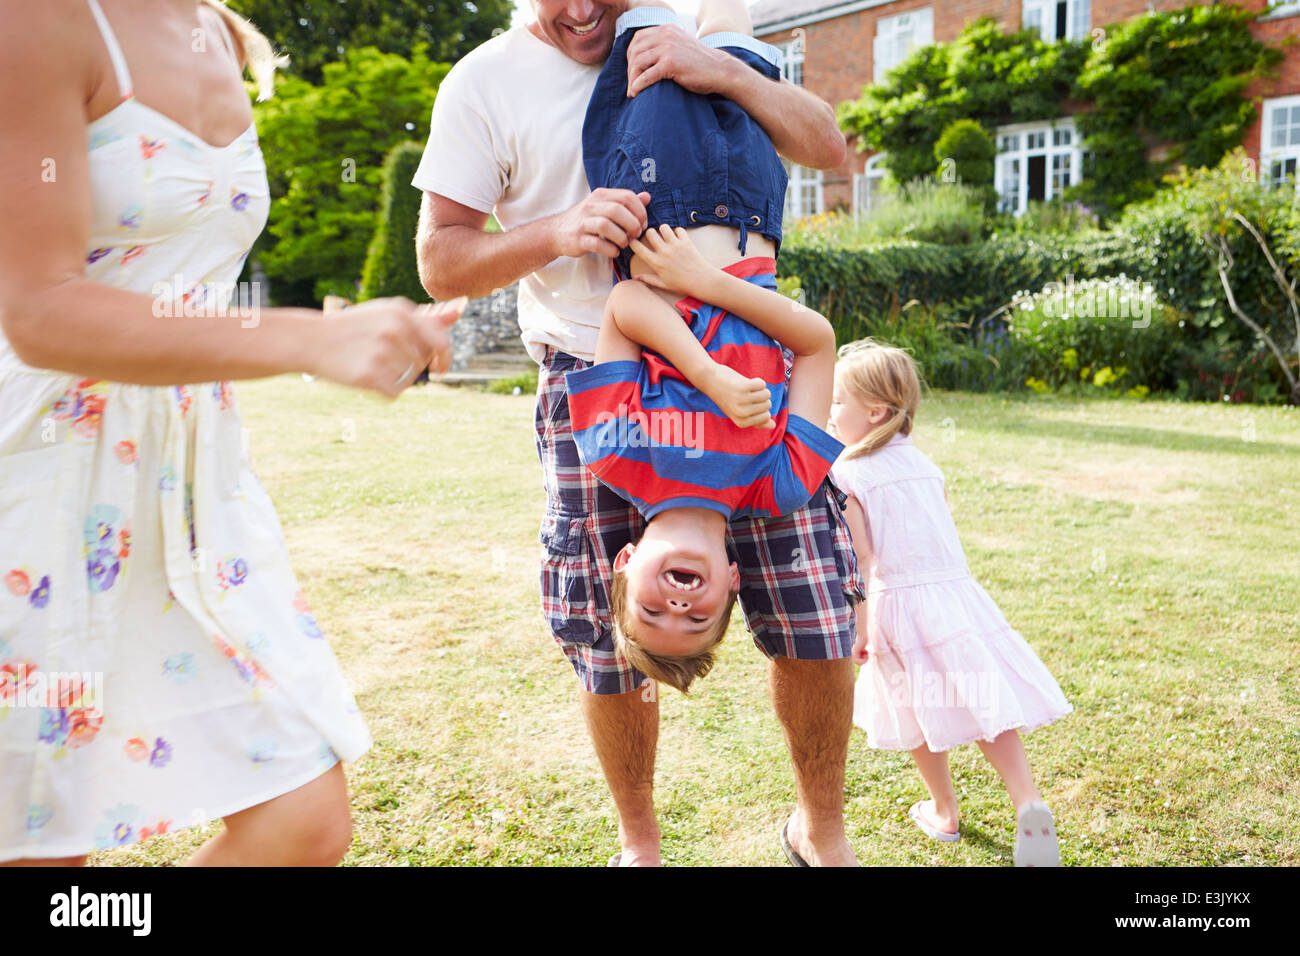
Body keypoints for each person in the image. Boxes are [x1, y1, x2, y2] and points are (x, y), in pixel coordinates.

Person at [0, 0, 460, 867]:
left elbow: (182, 288)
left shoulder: (214, 27)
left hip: (186, 484)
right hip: (42, 471)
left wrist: (341, 325)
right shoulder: (40, 19)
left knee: (303, 820)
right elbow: (38, 310)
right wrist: (306, 340)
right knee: (44, 852)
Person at [415, 0, 864, 867]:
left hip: (746, 359)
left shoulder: (700, 18)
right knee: (607, 644)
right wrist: (554, 233)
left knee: (814, 620)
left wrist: (723, 68)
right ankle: (640, 846)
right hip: (593, 376)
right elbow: (441, 260)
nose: (582, 11)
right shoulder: (483, 81)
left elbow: (826, 145)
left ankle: (822, 832)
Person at [829, 339, 1072, 867]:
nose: (830, 413)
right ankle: (1028, 800)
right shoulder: (926, 466)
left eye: (836, 401)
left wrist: (861, 627)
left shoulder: (846, 475)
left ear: (875, 411)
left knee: (914, 709)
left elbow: (864, 561)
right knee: (984, 700)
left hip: (896, 603)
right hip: (958, 600)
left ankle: (944, 810)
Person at [567, 224, 841, 693]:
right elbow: (818, 342)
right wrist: (709, 281)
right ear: (733, 581)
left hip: (664, 211)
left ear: (625, 561)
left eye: (650, 611)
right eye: (698, 620)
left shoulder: (611, 451)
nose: (677, 610)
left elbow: (627, 301)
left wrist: (708, 374)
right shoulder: (782, 485)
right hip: (748, 226)